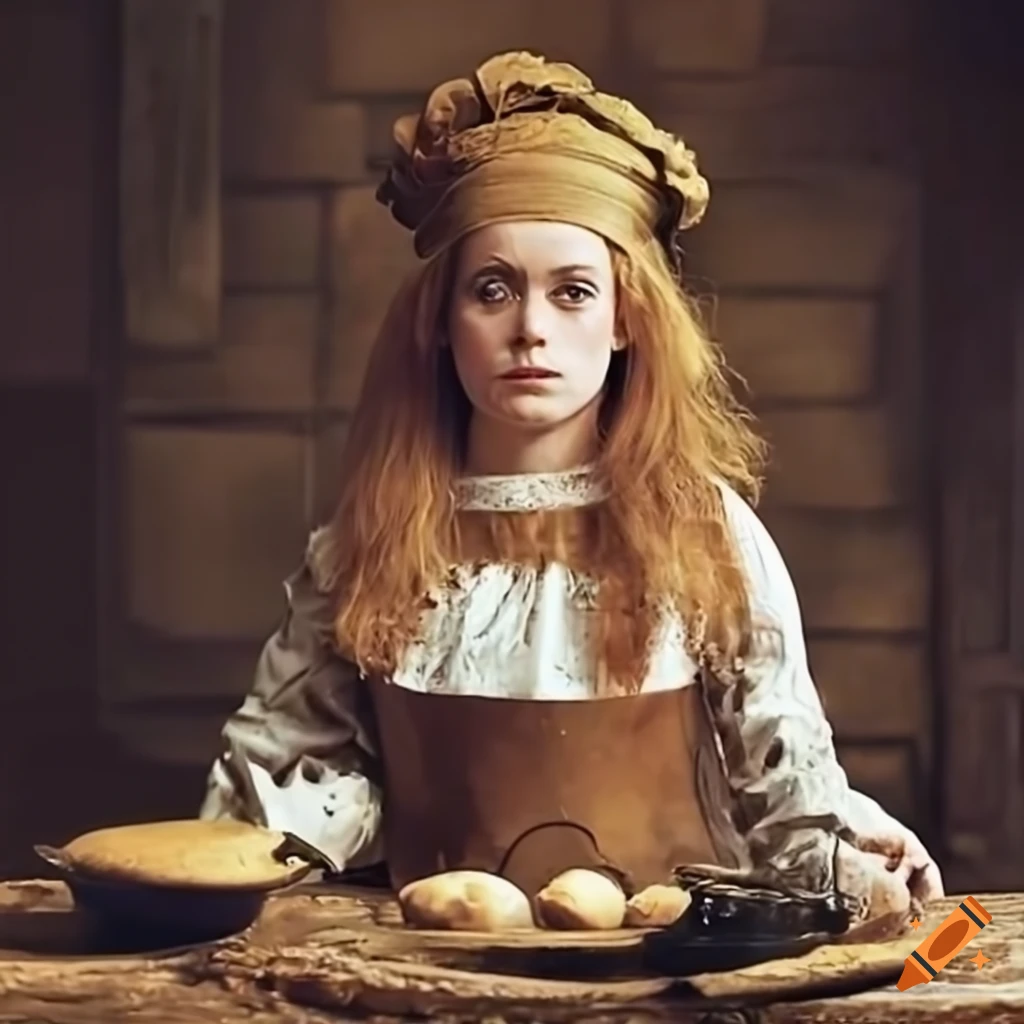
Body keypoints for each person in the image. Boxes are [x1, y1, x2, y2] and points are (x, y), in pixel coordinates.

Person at [200, 51, 942, 926]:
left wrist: (834, 856)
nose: (530, 330)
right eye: (493, 289)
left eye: (573, 292)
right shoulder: (370, 541)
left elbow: (776, 773)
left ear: (626, 320)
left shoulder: (703, 532)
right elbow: (278, 785)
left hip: (672, 967)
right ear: (442, 322)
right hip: (434, 967)